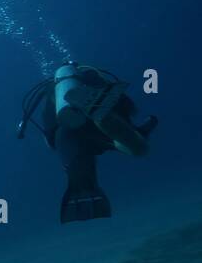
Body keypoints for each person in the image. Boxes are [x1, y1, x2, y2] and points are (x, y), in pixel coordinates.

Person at [18, 62, 157, 222]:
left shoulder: (50, 91)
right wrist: (143, 128)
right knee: (139, 149)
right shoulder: (92, 76)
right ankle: (103, 119)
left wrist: (56, 145)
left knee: (73, 160)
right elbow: (128, 107)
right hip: (99, 127)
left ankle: (78, 176)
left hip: (66, 133)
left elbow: (49, 134)